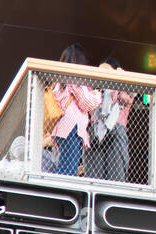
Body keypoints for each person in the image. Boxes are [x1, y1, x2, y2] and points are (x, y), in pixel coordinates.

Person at [50, 45, 102, 176]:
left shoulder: (58, 81)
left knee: (64, 164)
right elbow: (87, 103)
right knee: (68, 169)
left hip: (61, 127)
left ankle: (58, 192)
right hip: (72, 127)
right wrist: (97, 94)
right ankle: (60, 193)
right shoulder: (75, 79)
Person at [83, 55, 134, 183]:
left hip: (116, 130)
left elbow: (129, 97)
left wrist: (122, 77)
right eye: (100, 70)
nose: (102, 73)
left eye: (106, 70)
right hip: (95, 132)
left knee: (115, 176)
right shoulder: (94, 89)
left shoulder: (121, 90)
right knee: (93, 178)